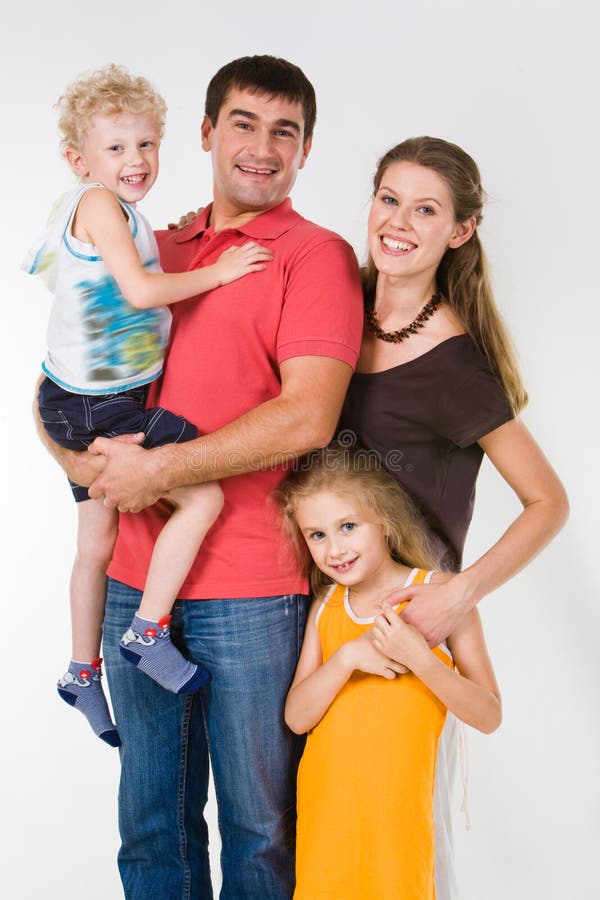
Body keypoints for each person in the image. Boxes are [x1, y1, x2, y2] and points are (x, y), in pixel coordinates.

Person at [35, 56, 364, 898]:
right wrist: (81, 463)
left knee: (258, 830)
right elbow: (71, 372)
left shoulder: (311, 256)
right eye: (244, 124)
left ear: (305, 150)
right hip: (131, 583)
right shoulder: (153, 241)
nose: (262, 147)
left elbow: (307, 417)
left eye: (283, 132)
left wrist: (162, 469)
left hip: (251, 588)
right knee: (150, 830)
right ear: (209, 133)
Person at [26, 64, 276, 747]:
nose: (135, 161)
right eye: (115, 148)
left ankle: (81, 671)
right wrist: (220, 271)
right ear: (79, 159)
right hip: (98, 405)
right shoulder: (99, 206)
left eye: (146, 145)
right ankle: (146, 631)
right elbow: (138, 291)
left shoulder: (112, 213)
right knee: (202, 500)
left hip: (74, 397)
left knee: (95, 543)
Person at [338, 136, 568, 644]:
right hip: (315, 611)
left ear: (460, 231)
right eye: (389, 199)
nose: (397, 223)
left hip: (401, 624)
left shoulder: (457, 367)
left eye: (425, 210)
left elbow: (548, 501)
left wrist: (460, 595)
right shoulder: (335, 302)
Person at [278, 445, 501, 899]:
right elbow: (296, 718)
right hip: (330, 813)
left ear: (383, 519)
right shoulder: (325, 608)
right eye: (316, 535)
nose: (335, 548)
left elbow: (488, 715)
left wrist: (419, 659)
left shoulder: (439, 595)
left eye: (347, 526)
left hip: (404, 816)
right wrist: (345, 659)